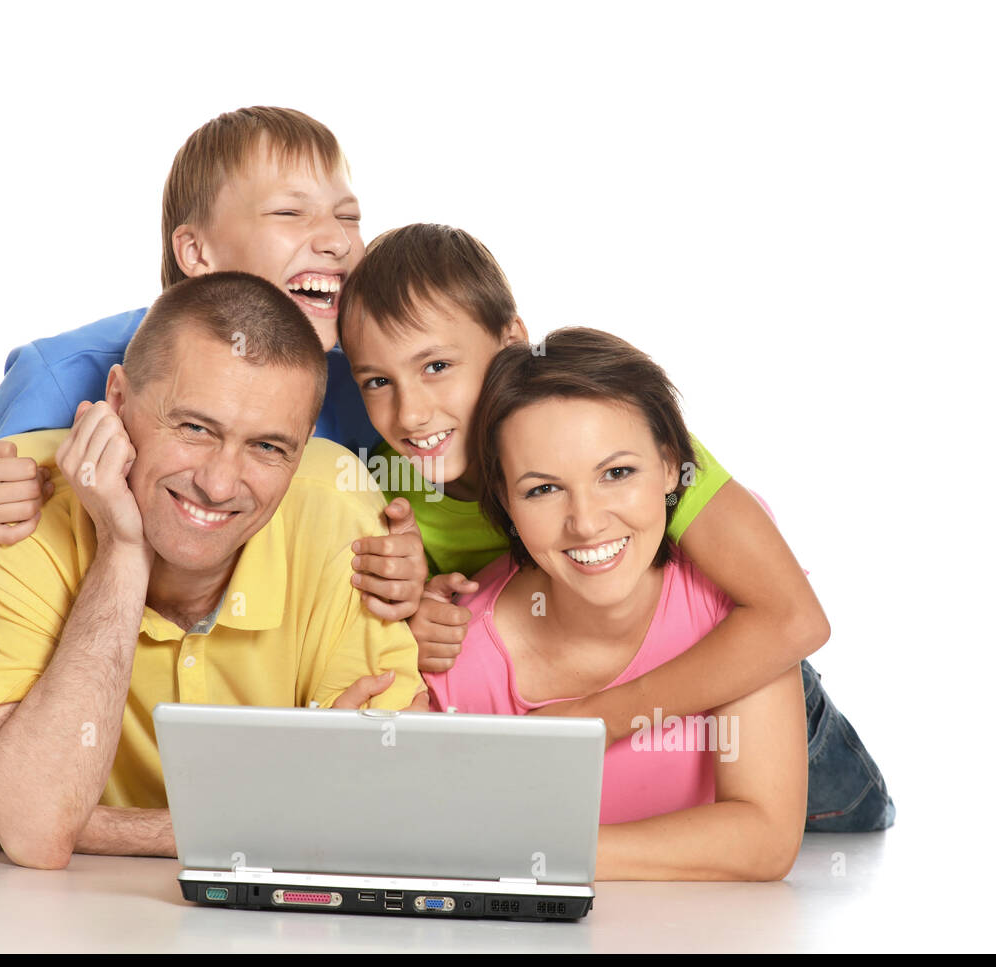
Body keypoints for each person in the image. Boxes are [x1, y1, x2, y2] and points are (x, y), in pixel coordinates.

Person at [0, 107, 427, 789]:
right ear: (196, 253)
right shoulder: (63, 376)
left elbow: (362, 534)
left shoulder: (357, 385)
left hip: (216, 623)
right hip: (65, 603)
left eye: (348, 217)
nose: (338, 241)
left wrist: (409, 567)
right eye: (291, 213)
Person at [337, 223, 894, 831]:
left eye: (438, 366)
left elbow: (793, 619)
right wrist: (417, 614)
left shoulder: (613, 434)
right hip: (596, 713)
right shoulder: (385, 485)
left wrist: (595, 719)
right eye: (377, 382)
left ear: (511, 341)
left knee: (837, 816)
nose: (411, 413)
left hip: (733, 674)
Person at [0, 272, 427, 870]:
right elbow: (37, 834)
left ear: (302, 449)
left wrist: (88, 825)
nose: (219, 485)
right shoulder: (14, 507)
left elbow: (381, 809)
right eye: (195, 428)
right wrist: (122, 549)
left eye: (268, 447)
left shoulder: (341, 509)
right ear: (117, 400)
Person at [426, 330, 806, 879]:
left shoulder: (736, 595)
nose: (586, 523)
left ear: (672, 467)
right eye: (542, 489)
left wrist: (542, 850)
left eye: (617, 473)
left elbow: (766, 840)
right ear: (505, 503)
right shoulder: (458, 655)